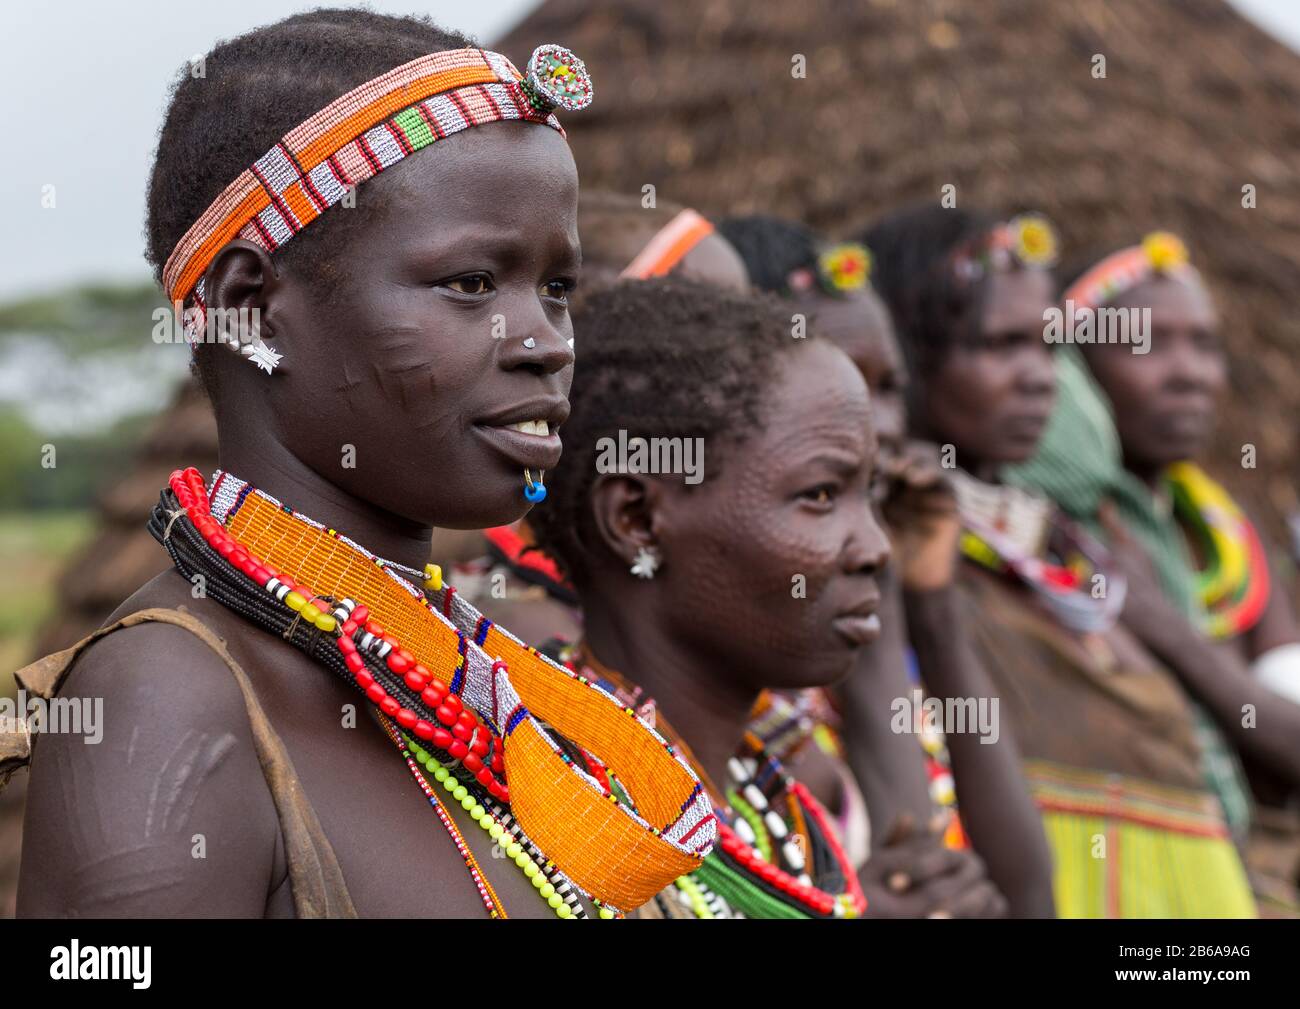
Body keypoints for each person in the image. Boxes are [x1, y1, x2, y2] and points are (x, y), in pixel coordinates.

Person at [12, 9, 715, 919]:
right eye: (470, 283)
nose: (545, 342)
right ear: (251, 307)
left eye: (557, 289)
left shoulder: (467, 681)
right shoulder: (169, 705)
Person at [527, 275, 1007, 917]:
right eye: (819, 495)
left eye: (868, 496)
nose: (875, 547)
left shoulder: (777, 795)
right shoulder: (551, 805)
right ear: (637, 522)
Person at [865, 204, 1257, 917]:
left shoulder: (1069, 544)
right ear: (912, 354)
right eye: (1000, 344)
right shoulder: (897, 552)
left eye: (1046, 347)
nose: (1038, 377)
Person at [719, 214, 1052, 915]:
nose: (882, 423)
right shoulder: (727, 652)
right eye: (841, 384)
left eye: (889, 386)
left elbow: (1028, 894)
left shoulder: (871, 613)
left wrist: (925, 602)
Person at [1008, 232, 1300, 913]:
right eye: (1146, 344)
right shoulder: (1049, 530)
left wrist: (1166, 628)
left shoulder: (1225, 531)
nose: (1188, 371)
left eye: (1204, 344)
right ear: (1071, 369)